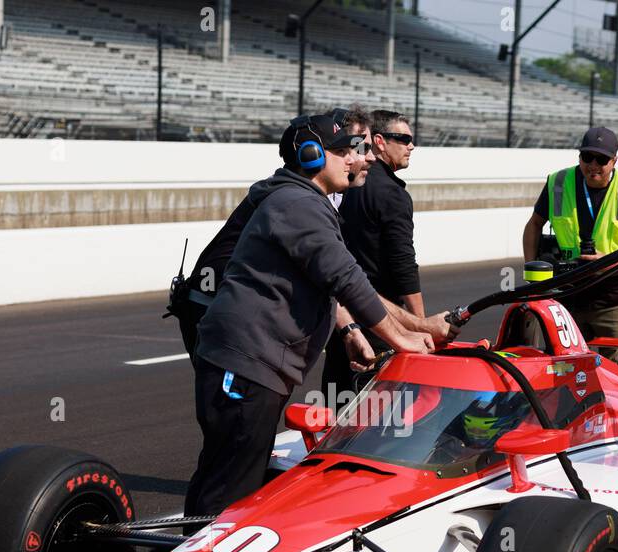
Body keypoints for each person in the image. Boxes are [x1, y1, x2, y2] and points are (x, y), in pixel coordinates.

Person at [185, 112, 436, 517]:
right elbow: (347, 278)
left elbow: (337, 283)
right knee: (230, 488)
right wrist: (402, 339)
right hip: (246, 365)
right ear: (312, 155)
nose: (362, 158)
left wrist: (368, 329)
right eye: (348, 151)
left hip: (249, 363)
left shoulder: (302, 200)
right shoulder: (297, 203)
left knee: (224, 474)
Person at [521, 126, 618, 370]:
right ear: (579, 157)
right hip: (568, 297)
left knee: (617, 378)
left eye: (601, 159)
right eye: (587, 157)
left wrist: (608, 262)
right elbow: (533, 224)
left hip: (617, 299)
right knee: (563, 374)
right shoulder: (558, 183)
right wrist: (533, 271)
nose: (593, 165)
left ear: (614, 160)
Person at [325, 109, 426, 394]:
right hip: (379, 319)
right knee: (380, 419)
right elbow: (404, 264)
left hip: (342, 316)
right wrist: (420, 325)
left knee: (337, 406)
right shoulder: (393, 194)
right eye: (403, 138)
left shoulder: (344, 185)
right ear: (380, 141)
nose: (411, 145)